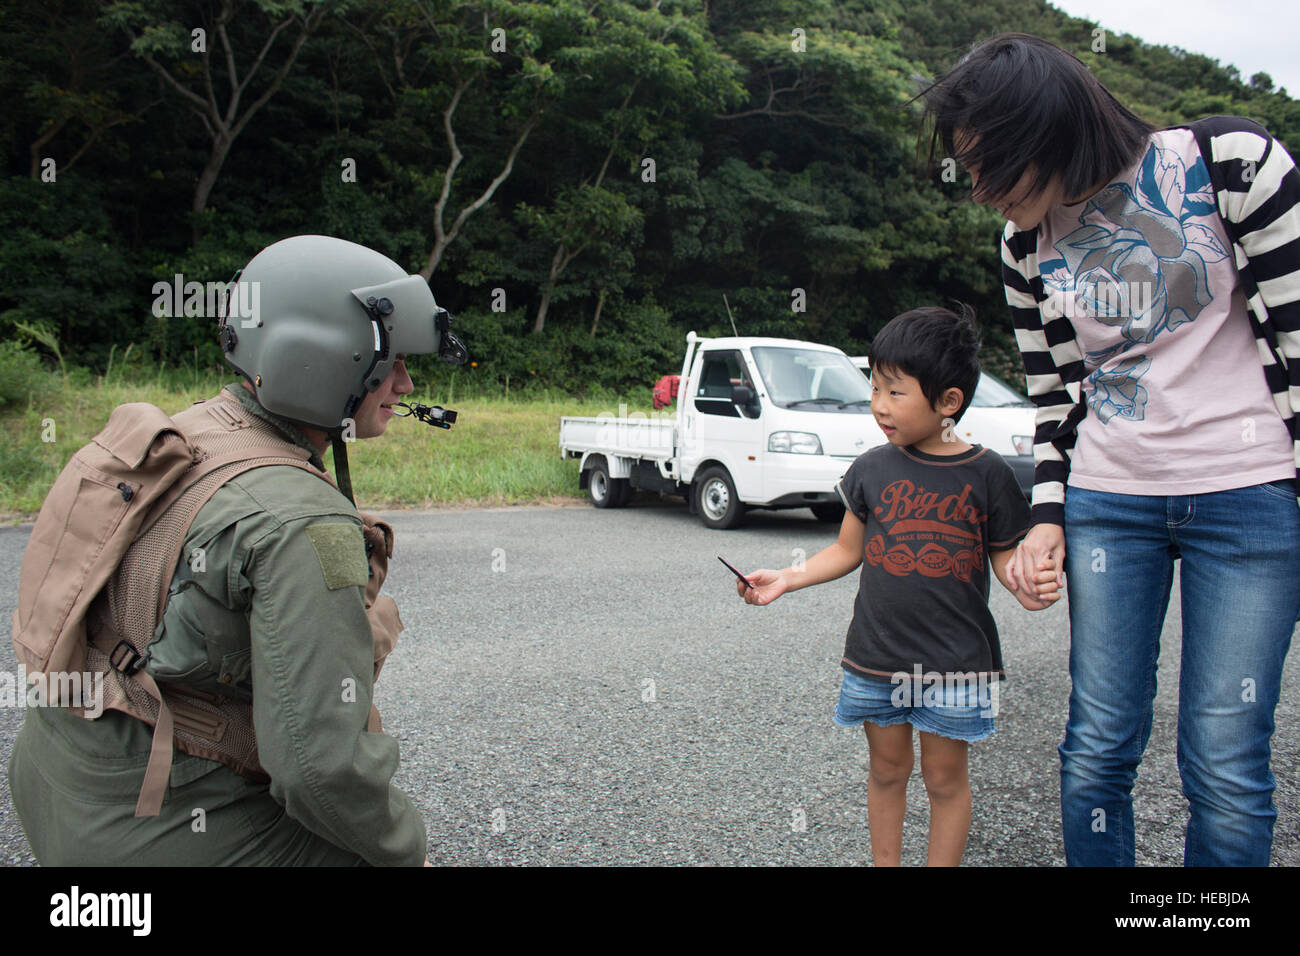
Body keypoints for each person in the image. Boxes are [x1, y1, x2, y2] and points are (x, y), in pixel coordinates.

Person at [923, 33, 1300, 866]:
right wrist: (1046, 519)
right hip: (1110, 500)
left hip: (1251, 494)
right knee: (1096, 744)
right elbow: (1059, 399)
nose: (979, 190)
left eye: (992, 166)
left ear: (1049, 130)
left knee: (1225, 754)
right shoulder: (1025, 247)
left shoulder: (1230, 163)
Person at [9, 234, 460, 866]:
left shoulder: (195, 433)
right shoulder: (303, 522)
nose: (407, 385)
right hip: (145, 833)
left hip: (61, 785)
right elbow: (320, 771)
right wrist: (410, 852)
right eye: (392, 365)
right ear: (323, 360)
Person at [737, 306, 1059, 866]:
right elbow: (846, 550)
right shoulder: (871, 469)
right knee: (886, 771)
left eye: (895, 391)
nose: (879, 405)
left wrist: (1028, 583)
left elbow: (1008, 558)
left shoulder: (988, 474)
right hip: (877, 656)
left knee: (943, 778)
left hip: (956, 661)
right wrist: (785, 578)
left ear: (949, 402)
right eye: (875, 388)